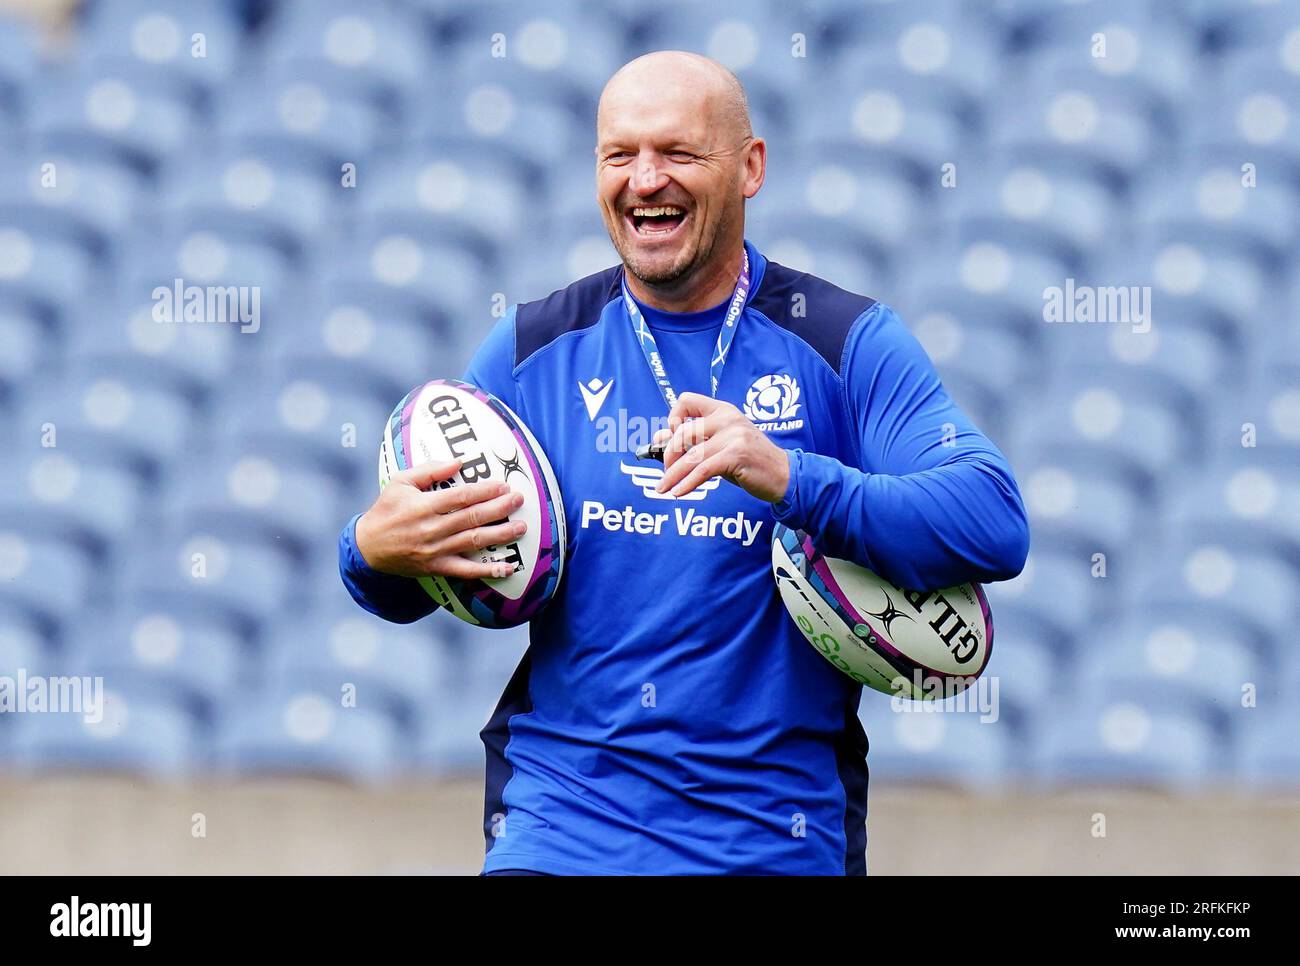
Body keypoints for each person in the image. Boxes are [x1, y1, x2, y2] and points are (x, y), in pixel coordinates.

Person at [339, 51, 1029, 875]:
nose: (645, 180)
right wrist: (372, 554)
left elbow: (994, 522)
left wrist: (790, 477)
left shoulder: (846, 343)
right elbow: (435, 578)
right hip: (561, 834)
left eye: (678, 153)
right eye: (619, 155)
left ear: (750, 167)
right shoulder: (532, 350)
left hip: (771, 843)